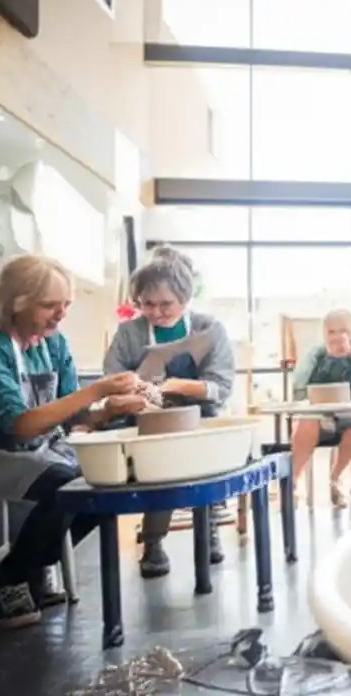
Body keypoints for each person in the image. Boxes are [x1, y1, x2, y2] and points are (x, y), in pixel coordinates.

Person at [0, 254, 145, 628]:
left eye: (65, 305)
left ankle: (33, 565)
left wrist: (107, 409)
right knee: (67, 483)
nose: (60, 314)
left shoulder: (52, 344)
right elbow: (18, 424)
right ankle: (10, 579)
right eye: (49, 305)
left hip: (22, 450)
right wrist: (96, 391)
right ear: (14, 301)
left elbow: (70, 417)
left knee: (109, 481)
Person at [103, 246, 236, 578]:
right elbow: (111, 380)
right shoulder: (129, 334)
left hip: (201, 415)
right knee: (159, 468)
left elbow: (220, 386)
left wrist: (176, 386)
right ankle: (153, 540)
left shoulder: (210, 329)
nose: (157, 312)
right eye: (148, 304)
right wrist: (138, 389)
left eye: (166, 304)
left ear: (185, 299)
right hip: (147, 418)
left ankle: (208, 529)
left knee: (202, 462)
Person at [290, 307, 351, 508]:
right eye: (331, 332)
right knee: (307, 420)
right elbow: (298, 389)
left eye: (344, 330)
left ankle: (336, 478)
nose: (337, 336)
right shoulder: (314, 354)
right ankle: (290, 483)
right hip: (322, 414)